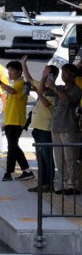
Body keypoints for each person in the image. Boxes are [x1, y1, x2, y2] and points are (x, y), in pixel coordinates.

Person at [44, 63, 82, 195]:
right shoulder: (59, 88)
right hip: (56, 127)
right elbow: (43, 91)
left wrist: (55, 88)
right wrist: (44, 77)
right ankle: (65, 184)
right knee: (59, 159)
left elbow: (69, 99)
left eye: (68, 74)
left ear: (74, 76)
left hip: (70, 128)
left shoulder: (76, 90)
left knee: (70, 158)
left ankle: (73, 185)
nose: (65, 76)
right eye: (64, 73)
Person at [0, 58, 33, 181]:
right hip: (12, 120)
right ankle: (25, 170)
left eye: (11, 71)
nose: (9, 73)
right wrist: (6, 122)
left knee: (12, 147)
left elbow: (12, 91)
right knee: (13, 147)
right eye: (9, 71)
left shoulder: (21, 83)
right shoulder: (16, 83)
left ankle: (10, 172)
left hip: (17, 121)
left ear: (19, 72)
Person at [28, 64, 57, 193]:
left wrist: (38, 92)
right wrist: (24, 64)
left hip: (45, 129)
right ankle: (42, 183)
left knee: (47, 157)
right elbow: (31, 80)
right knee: (40, 157)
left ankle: (48, 183)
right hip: (37, 127)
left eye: (47, 73)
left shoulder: (53, 90)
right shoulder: (43, 87)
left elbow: (46, 103)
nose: (44, 74)